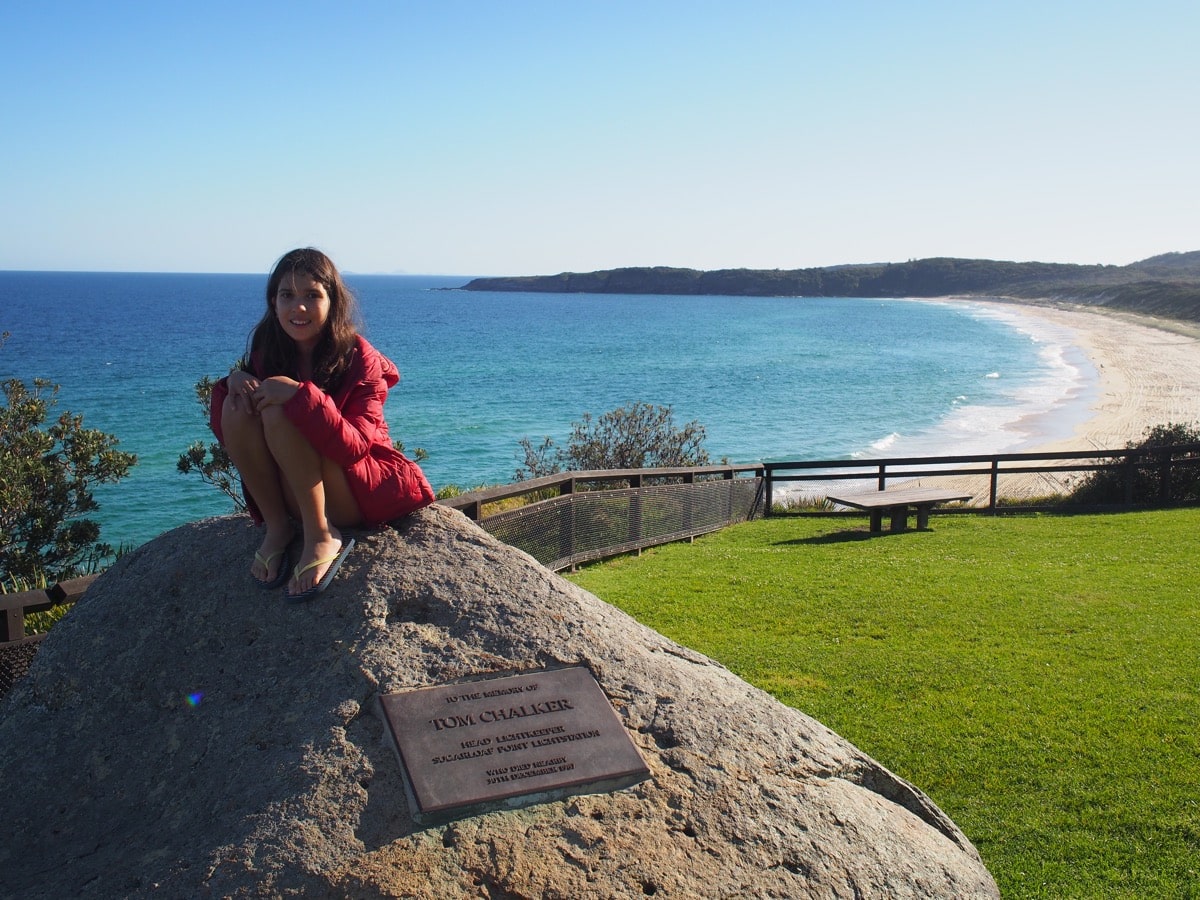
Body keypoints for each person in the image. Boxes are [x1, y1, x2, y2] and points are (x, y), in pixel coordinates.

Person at [209, 248, 435, 601]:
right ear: (273, 301)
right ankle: (279, 528)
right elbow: (240, 432)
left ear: (333, 301)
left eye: (312, 295)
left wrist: (301, 397)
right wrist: (235, 383)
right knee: (240, 406)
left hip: (355, 492)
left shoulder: (361, 358)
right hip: (298, 493)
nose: (298, 307)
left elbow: (355, 448)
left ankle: (321, 535)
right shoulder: (269, 352)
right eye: (287, 295)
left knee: (280, 410)